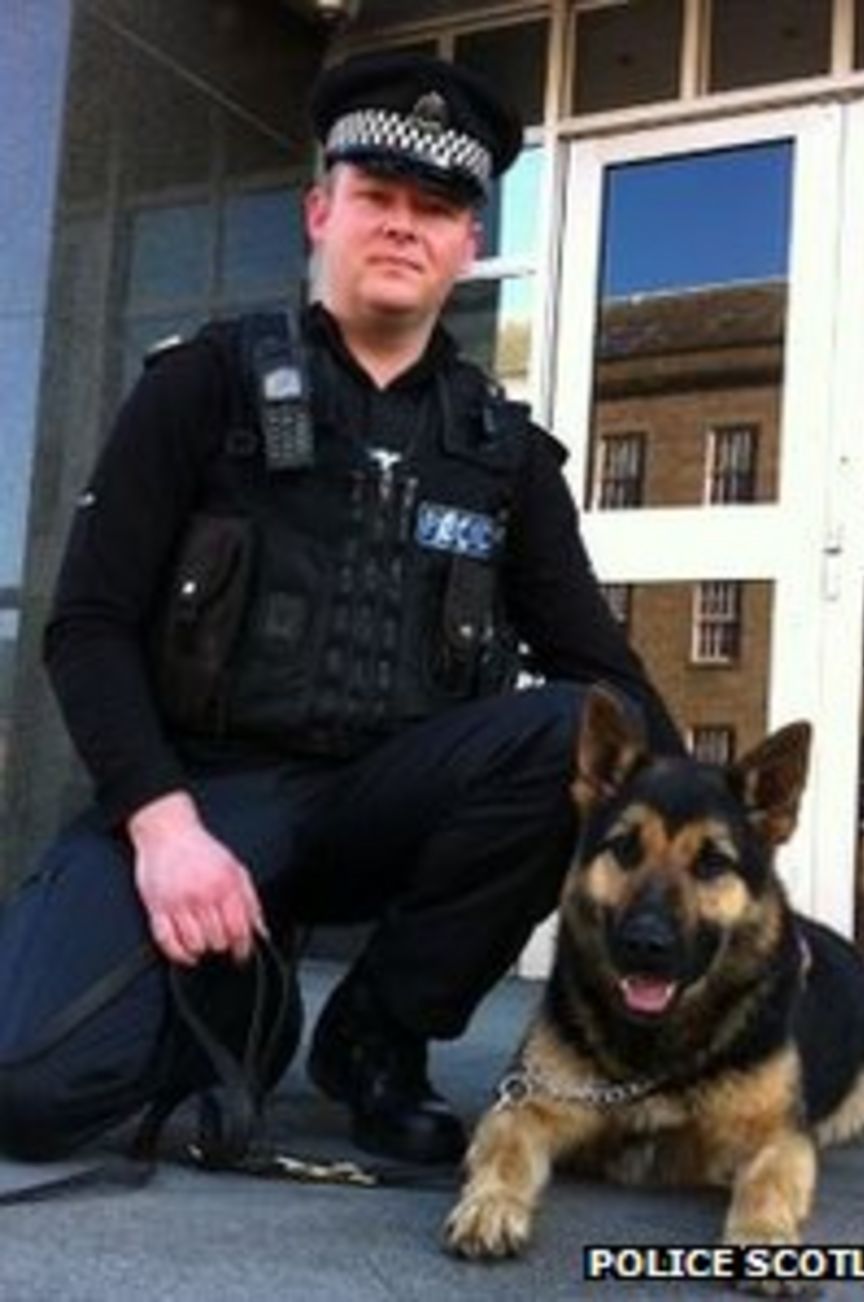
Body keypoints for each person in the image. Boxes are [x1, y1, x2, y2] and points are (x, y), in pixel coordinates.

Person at [0, 52, 683, 1169]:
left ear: (468, 243)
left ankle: (377, 1038)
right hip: (203, 799)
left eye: (437, 208)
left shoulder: (505, 454)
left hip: (388, 808)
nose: (404, 225)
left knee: (576, 725)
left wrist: (731, 867)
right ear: (321, 210)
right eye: (378, 195)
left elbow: (609, 678)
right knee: (27, 1091)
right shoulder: (201, 386)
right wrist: (163, 830)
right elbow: (88, 626)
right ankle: (231, 1000)